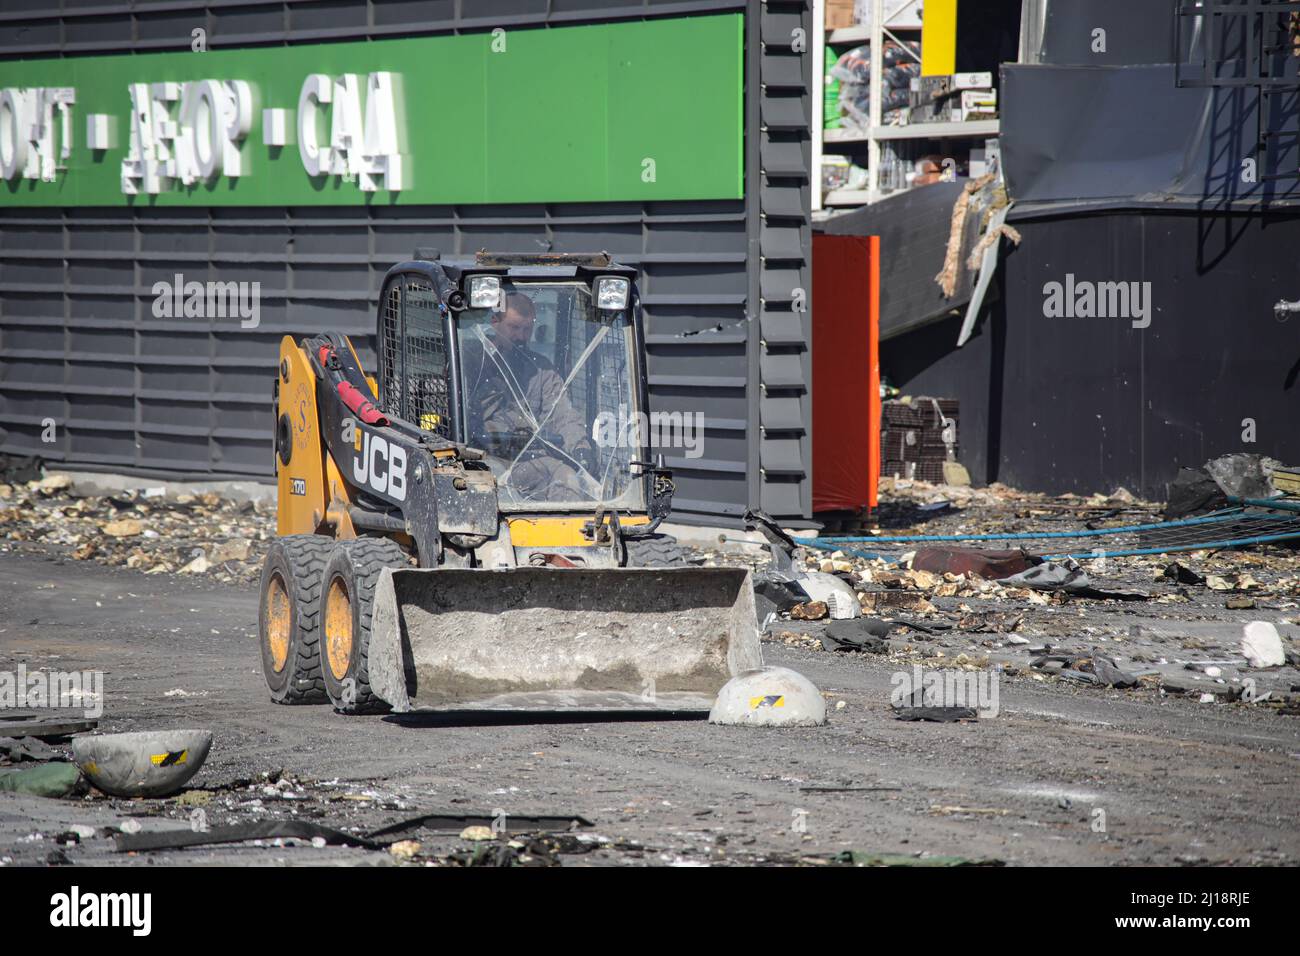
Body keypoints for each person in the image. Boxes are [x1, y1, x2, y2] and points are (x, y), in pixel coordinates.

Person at [461, 291, 595, 501]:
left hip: (527, 460)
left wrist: (580, 448)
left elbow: (563, 413)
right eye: (514, 328)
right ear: (495, 322)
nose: (521, 336)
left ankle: (569, 532)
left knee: (566, 476)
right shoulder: (470, 360)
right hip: (482, 457)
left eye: (527, 329)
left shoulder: (541, 370)